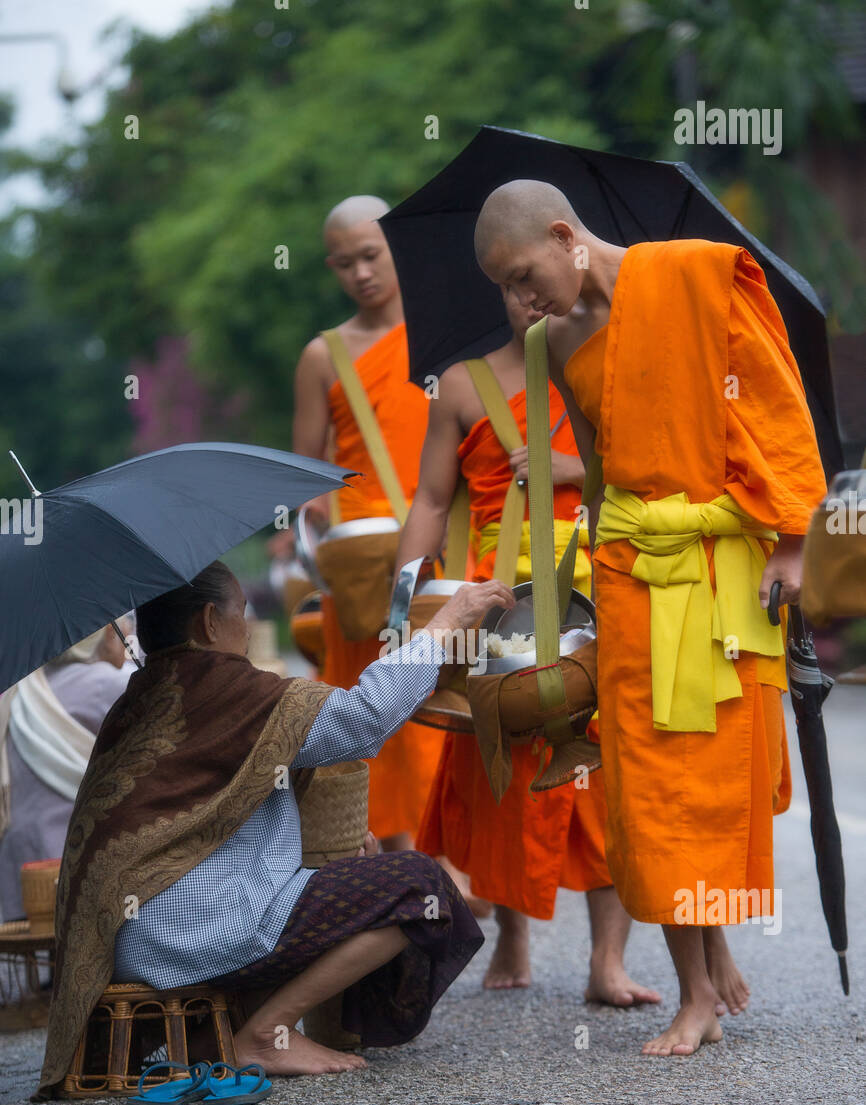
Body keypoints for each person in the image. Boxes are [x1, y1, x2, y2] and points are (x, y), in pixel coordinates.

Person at [473, 179, 827, 1055]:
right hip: (631, 569)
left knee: (711, 779)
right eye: (505, 292)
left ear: (566, 236)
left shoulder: (698, 277)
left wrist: (791, 543)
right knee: (645, 789)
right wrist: (571, 596)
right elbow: (597, 477)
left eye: (524, 277)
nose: (519, 303)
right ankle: (696, 991)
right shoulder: (553, 342)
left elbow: (776, 408)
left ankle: (712, 955)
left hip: (718, 572)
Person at [35, 562, 512, 1098]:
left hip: (125, 939)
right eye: (241, 612)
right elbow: (364, 718)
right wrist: (446, 624)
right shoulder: (225, 686)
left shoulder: (140, 695)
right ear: (211, 622)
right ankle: (266, 1034)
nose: (247, 623)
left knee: (357, 877)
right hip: (188, 931)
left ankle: (221, 1035)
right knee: (419, 888)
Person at [394, 286, 659, 1007]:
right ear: (495, 286)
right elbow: (430, 499)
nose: (533, 298)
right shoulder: (462, 384)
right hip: (499, 609)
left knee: (605, 784)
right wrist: (404, 600)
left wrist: (581, 471)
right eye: (513, 283)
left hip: (596, 599)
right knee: (500, 777)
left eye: (542, 280)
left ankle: (607, 962)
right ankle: (512, 930)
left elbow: (660, 473)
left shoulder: (608, 368)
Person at [292, 194, 446, 852]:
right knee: (370, 705)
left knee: (444, 696)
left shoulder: (444, 331)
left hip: (438, 541)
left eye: (371, 255)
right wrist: (312, 510)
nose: (359, 273)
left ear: (396, 247)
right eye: (343, 263)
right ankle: (393, 854)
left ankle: (449, 849)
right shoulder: (324, 355)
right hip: (359, 560)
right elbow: (303, 473)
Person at [0, 624, 132, 922]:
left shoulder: (21, 688)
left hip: (20, 864)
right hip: (74, 866)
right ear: (104, 634)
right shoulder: (106, 683)